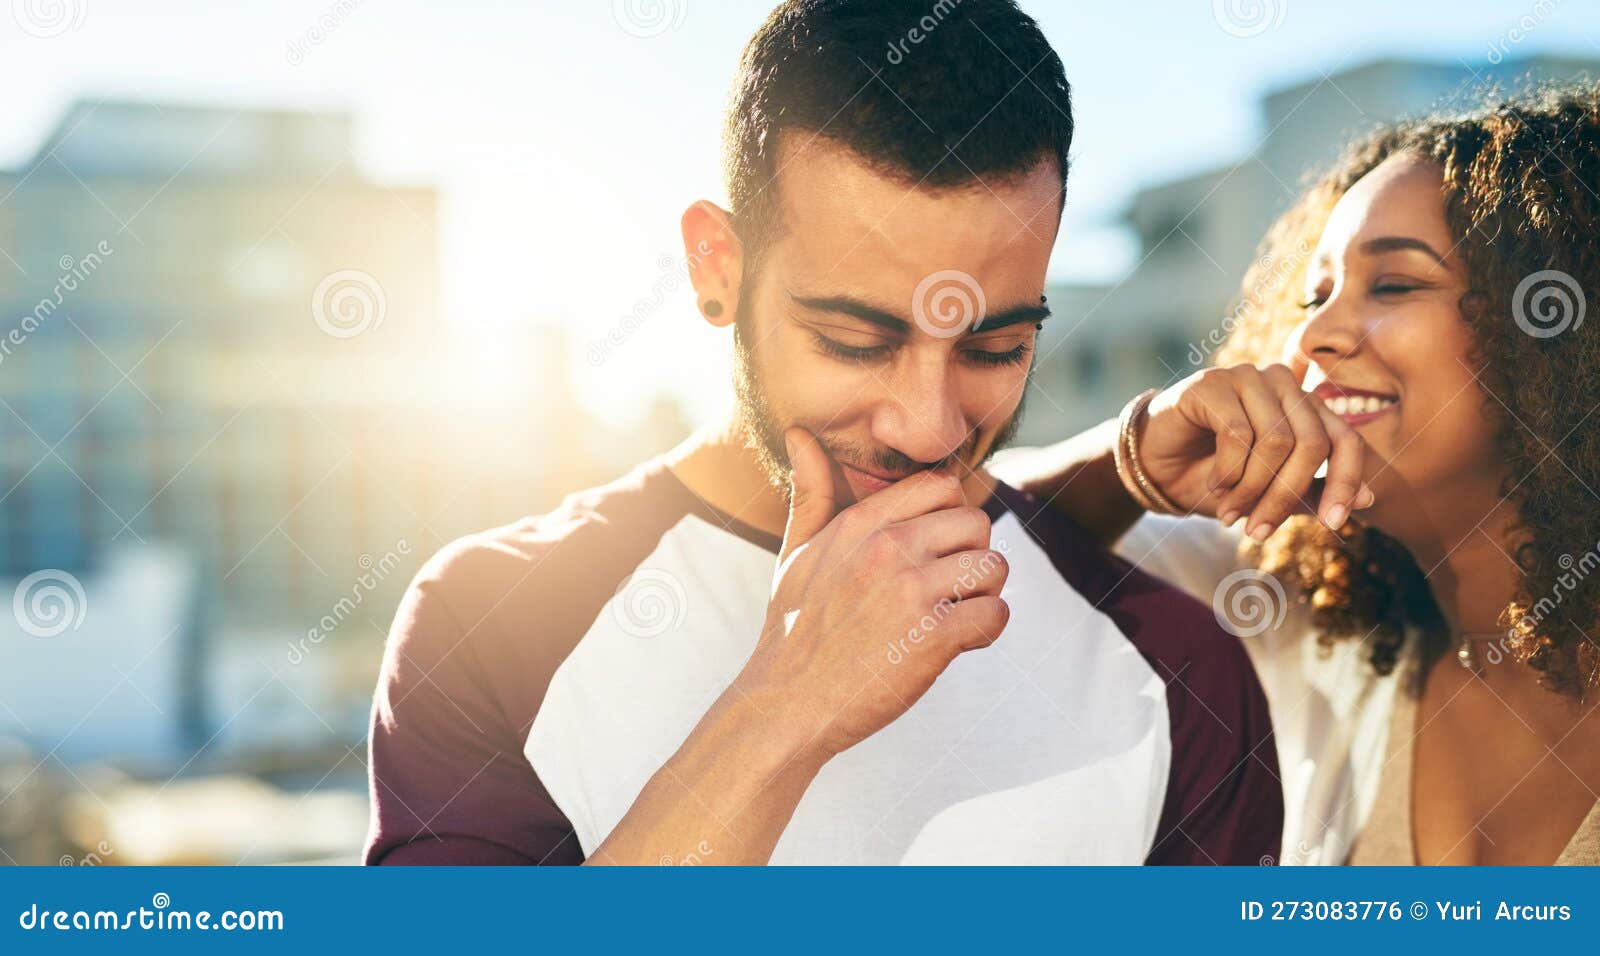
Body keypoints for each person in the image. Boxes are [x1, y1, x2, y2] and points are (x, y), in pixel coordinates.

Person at [362, 0, 1280, 866]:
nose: (927, 428)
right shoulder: (490, 625)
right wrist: (783, 711)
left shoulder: (1177, 668)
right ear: (717, 267)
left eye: (996, 346)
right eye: (855, 341)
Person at [1006, 83, 1600, 865]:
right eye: (1315, 293)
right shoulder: (1297, 604)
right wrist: (1136, 461)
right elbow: (979, 542)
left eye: (1393, 284)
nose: (1311, 335)